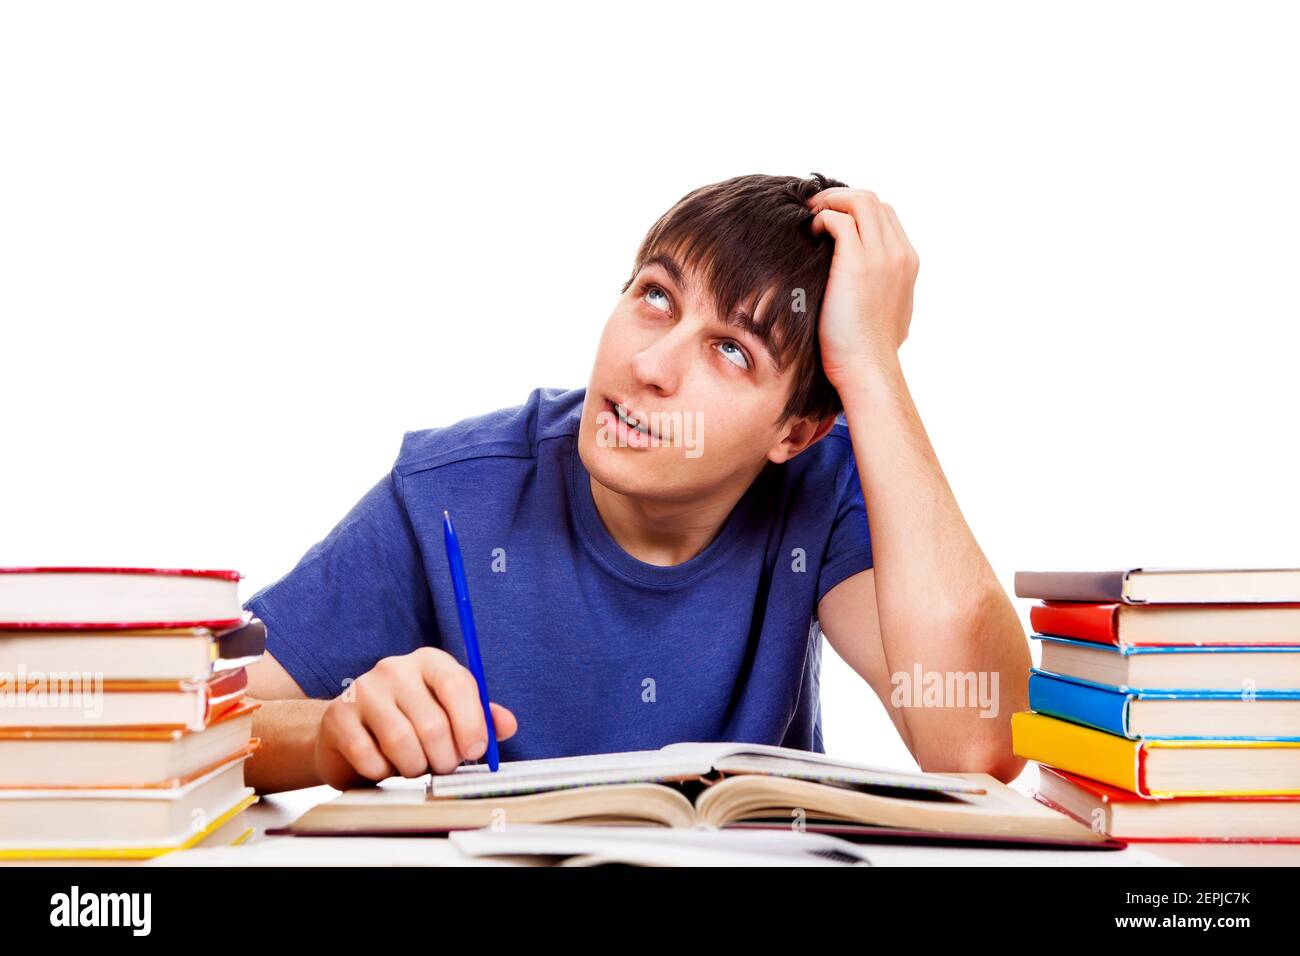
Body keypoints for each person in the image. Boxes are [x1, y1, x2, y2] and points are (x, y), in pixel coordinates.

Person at [243, 172, 1030, 794]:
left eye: (731, 351)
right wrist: (327, 732)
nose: (648, 368)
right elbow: (192, 721)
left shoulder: (821, 486)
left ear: (795, 433)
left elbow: (974, 740)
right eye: (657, 297)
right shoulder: (453, 487)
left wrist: (871, 363)